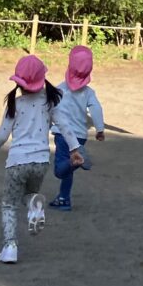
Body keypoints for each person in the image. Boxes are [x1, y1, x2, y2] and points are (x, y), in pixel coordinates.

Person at [0, 55, 83, 264]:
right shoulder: (49, 104)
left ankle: (10, 247)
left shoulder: (15, 103)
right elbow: (64, 126)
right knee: (29, 193)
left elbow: (2, 134)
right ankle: (34, 207)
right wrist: (75, 148)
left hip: (17, 162)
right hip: (40, 162)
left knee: (9, 204)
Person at [50, 45, 105, 211]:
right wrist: (100, 129)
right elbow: (96, 109)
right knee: (69, 168)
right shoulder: (88, 93)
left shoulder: (59, 89)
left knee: (61, 170)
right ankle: (64, 198)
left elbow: (50, 110)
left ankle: (75, 163)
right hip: (80, 136)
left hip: (63, 135)